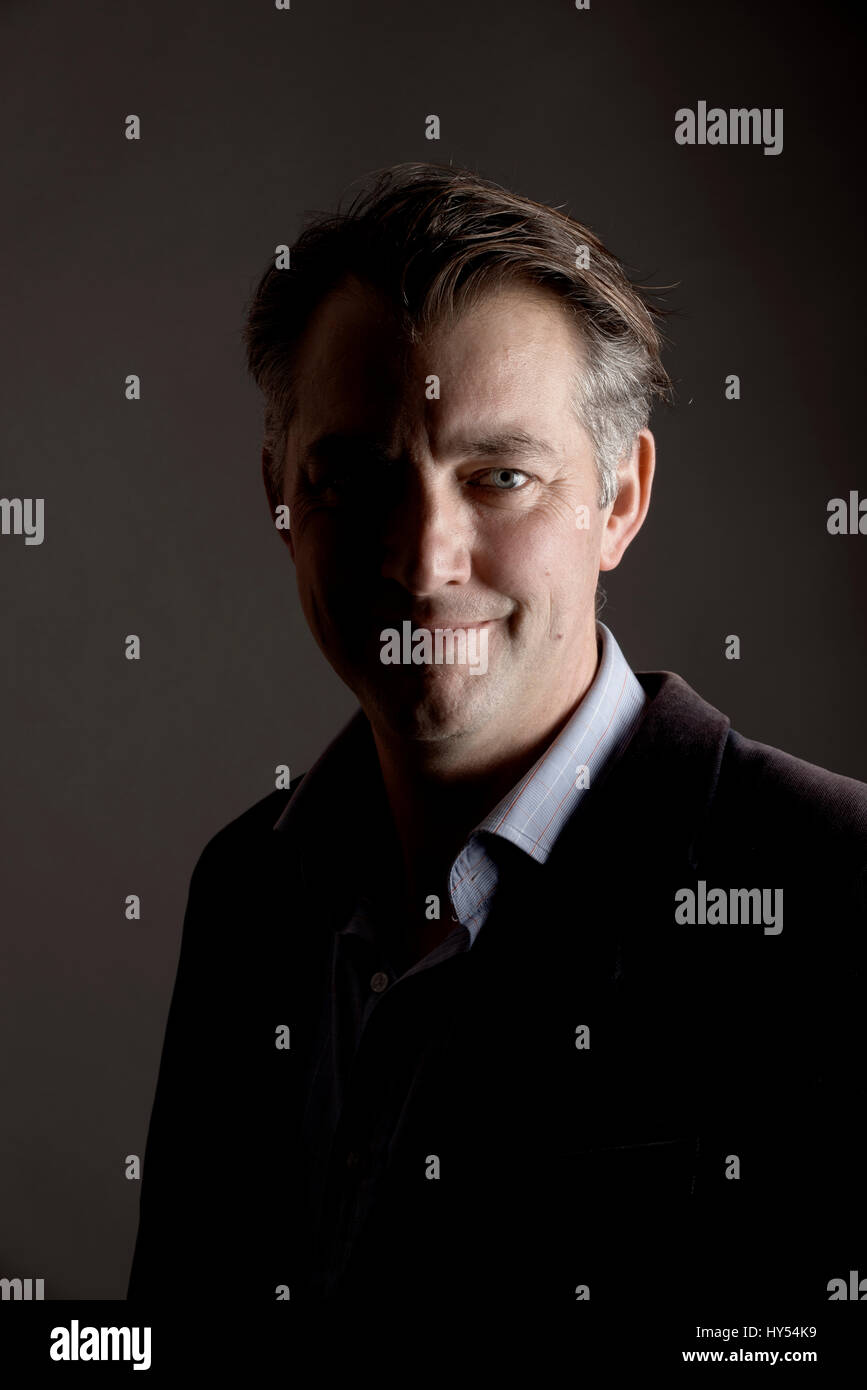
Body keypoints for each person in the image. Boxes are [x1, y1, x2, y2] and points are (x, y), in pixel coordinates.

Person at [128, 162, 866, 1317]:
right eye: (356, 477)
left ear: (619, 499)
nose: (423, 564)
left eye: (503, 477)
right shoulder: (246, 894)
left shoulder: (838, 890)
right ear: (279, 491)